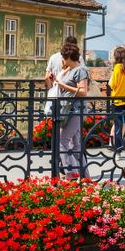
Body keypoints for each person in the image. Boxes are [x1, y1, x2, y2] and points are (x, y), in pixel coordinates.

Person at [52, 44, 90, 177]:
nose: (62, 58)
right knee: (76, 146)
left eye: (63, 56)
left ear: (68, 56)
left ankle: (70, 175)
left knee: (62, 141)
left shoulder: (80, 70)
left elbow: (83, 91)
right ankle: (85, 177)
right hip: (68, 110)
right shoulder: (68, 69)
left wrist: (63, 85)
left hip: (76, 110)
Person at [45, 35, 78, 114]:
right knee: (68, 119)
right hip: (71, 96)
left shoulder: (53, 57)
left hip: (56, 94)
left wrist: (51, 89)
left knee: (54, 119)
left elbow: (47, 77)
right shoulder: (78, 58)